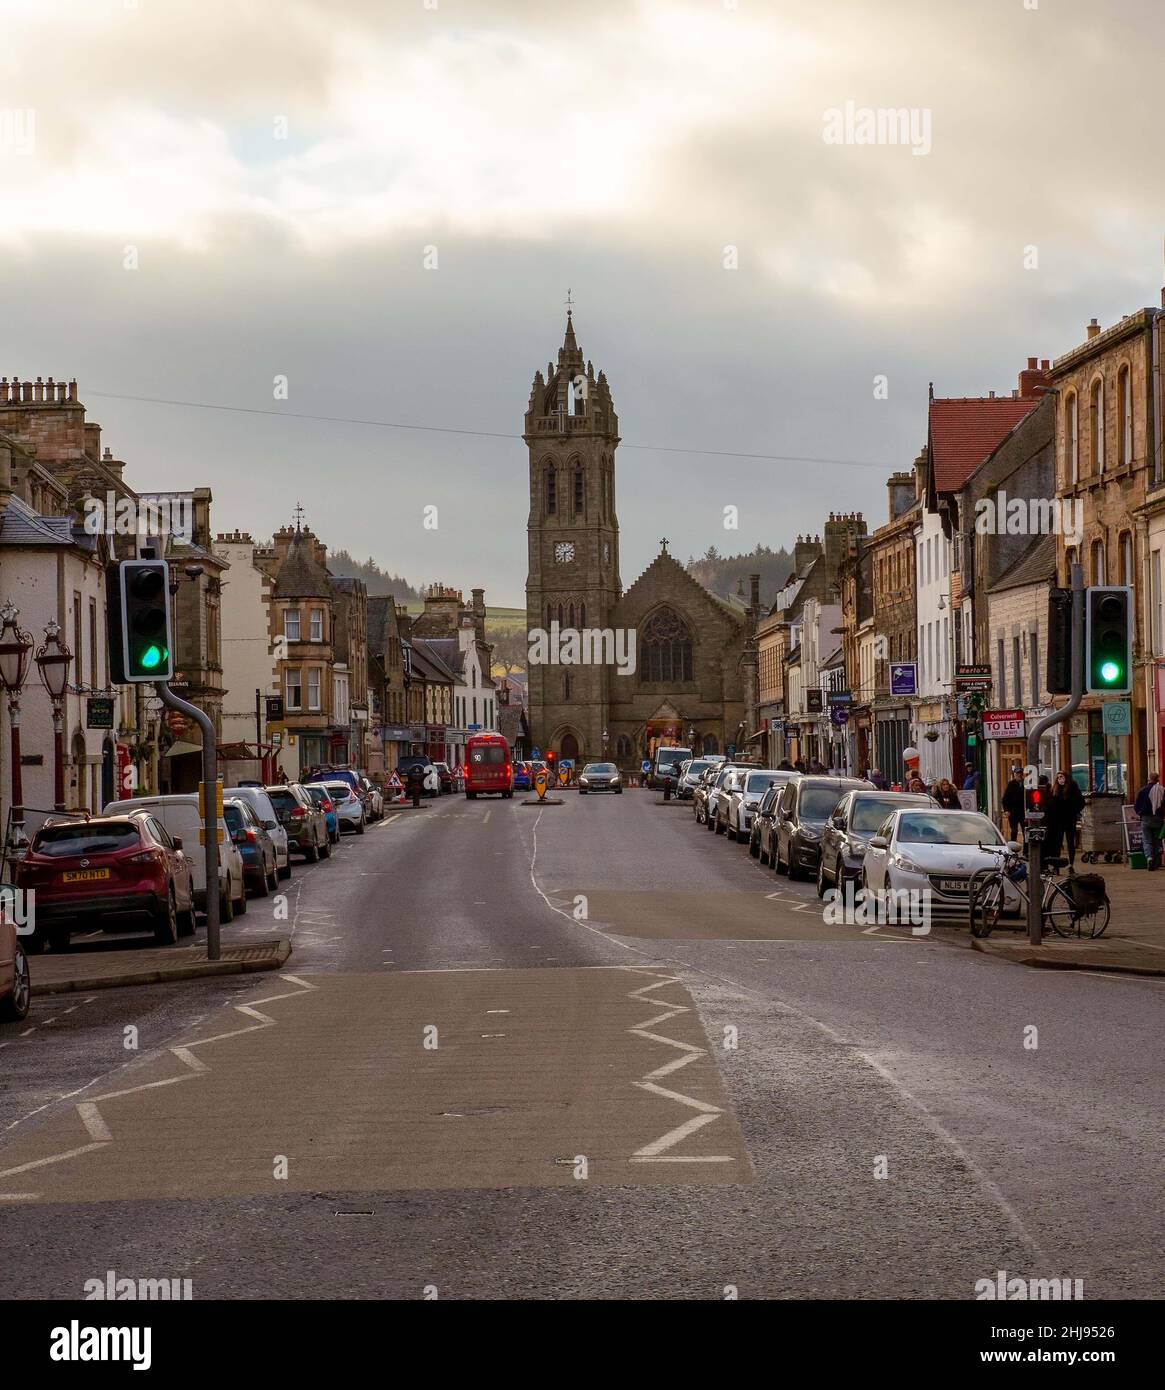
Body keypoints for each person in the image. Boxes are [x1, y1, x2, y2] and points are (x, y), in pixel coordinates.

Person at [1045, 770, 1085, 868]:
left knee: (1070, 842)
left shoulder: (1072, 788)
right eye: (1058, 777)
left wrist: (1074, 811)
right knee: (1057, 843)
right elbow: (1050, 804)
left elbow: (1081, 802)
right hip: (1057, 820)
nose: (1060, 779)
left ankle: (1071, 863)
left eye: (1062, 777)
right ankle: (1056, 866)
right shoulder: (1054, 789)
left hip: (1069, 819)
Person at [1133, 773, 1165, 870]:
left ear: (1149, 779)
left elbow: (1137, 805)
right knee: (1157, 840)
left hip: (1146, 818)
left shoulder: (1142, 791)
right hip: (1158, 818)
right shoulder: (1162, 790)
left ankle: (1149, 858)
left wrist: (1140, 814)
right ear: (1158, 779)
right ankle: (1156, 861)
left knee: (1147, 841)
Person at [1001, 767, 1026, 841]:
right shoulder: (1011, 784)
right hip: (1013, 812)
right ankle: (1012, 849)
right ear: (1014, 774)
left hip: (1023, 812)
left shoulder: (1025, 784)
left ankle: (1026, 851)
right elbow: (1005, 799)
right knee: (1014, 831)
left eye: (1020, 773)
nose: (1019, 775)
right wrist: (1006, 810)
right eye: (1017, 773)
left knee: (1026, 832)